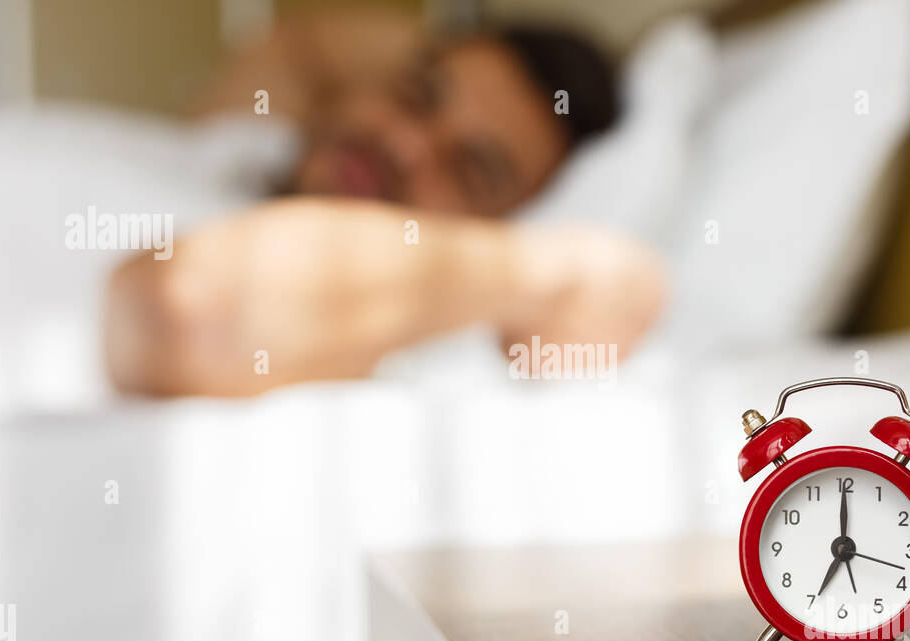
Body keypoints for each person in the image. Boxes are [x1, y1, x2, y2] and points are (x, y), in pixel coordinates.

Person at [105, 7, 665, 396]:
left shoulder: (389, 325)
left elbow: (183, 309)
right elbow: (301, 42)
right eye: (415, 95)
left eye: (468, 169)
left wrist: (542, 271)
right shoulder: (240, 144)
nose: (401, 145)